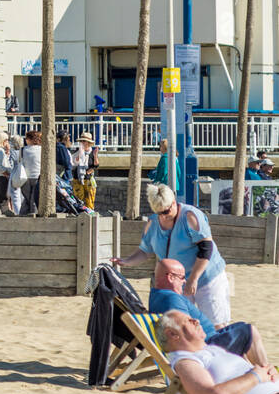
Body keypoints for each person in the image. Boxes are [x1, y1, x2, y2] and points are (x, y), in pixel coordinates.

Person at [113, 182, 230, 328]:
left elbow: (206, 248)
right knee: (181, 326)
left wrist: (194, 278)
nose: (163, 217)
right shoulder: (153, 223)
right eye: (159, 213)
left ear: (174, 203)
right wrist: (126, 261)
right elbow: (145, 251)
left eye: (166, 212)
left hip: (207, 277)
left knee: (216, 325)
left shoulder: (191, 216)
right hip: (178, 283)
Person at [156, 309, 279, 394]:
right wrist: (255, 377)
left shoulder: (209, 351)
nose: (196, 321)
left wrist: (268, 372)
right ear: (172, 334)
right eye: (189, 321)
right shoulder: (185, 363)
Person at [150, 259, 267, 366]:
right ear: (170, 277)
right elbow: (183, 331)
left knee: (241, 328)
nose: (184, 281)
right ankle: (270, 375)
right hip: (206, 347)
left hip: (210, 339)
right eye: (181, 277)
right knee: (249, 331)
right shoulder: (171, 299)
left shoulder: (159, 294)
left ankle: (252, 373)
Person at [16, 130, 43, 215]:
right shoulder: (41, 149)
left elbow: (19, 161)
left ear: (29, 139)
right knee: (34, 199)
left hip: (24, 177)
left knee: (27, 198)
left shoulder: (23, 150)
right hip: (37, 176)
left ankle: (22, 214)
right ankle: (32, 215)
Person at [72, 131, 98, 210]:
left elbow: (96, 165)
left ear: (89, 143)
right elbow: (73, 164)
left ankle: (90, 215)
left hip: (89, 179)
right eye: (82, 141)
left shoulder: (92, 152)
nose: (83, 143)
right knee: (78, 199)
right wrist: (80, 154)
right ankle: (79, 214)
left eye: (84, 141)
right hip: (77, 179)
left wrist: (95, 155)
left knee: (90, 200)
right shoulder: (76, 151)